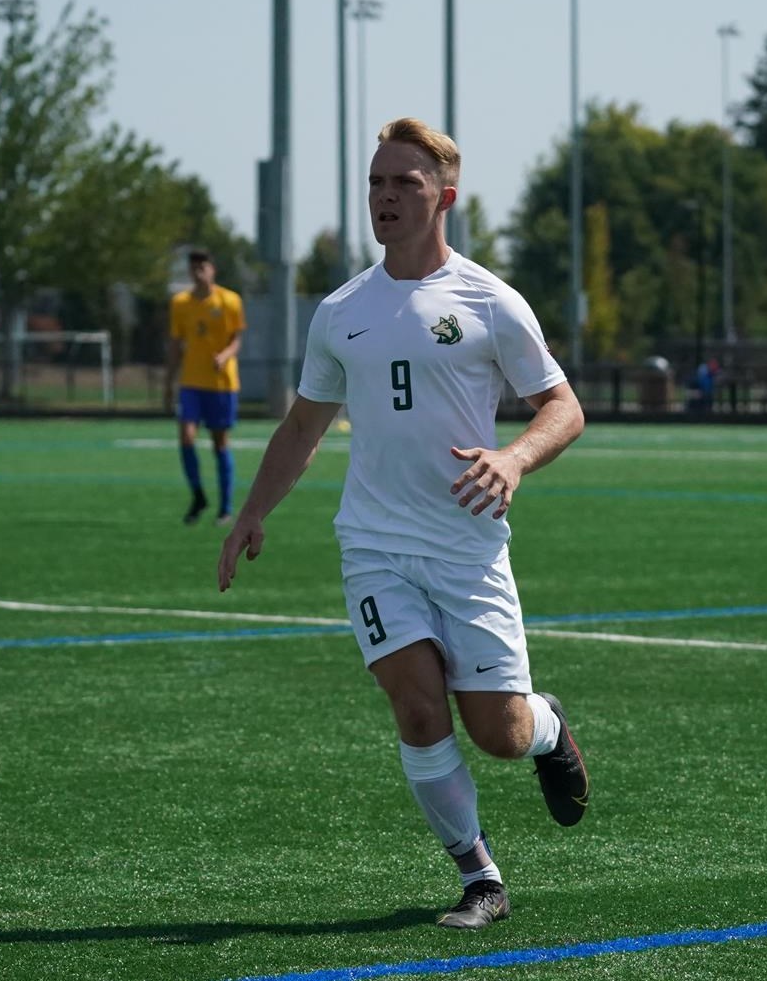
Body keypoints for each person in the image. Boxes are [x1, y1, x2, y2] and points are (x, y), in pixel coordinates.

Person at [216, 118, 589, 930]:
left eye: (404, 183)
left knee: (499, 730)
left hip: (466, 548)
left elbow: (562, 408)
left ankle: (548, 728)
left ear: (443, 196)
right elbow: (304, 426)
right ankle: (480, 876)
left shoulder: (490, 301)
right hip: (376, 546)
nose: (385, 196)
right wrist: (252, 512)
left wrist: (515, 459)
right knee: (418, 711)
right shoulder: (341, 309)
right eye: (377, 182)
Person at [166, 248, 244, 526]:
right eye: (194, 267)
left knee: (219, 442)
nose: (198, 272)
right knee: (186, 437)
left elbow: (237, 339)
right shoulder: (180, 303)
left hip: (222, 384)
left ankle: (225, 508)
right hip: (191, 382)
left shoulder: (230, 301)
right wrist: (168, 381)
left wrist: (225, 356)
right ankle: (198, 495)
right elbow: (176, 345)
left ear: (213, 269)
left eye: (203, 266)